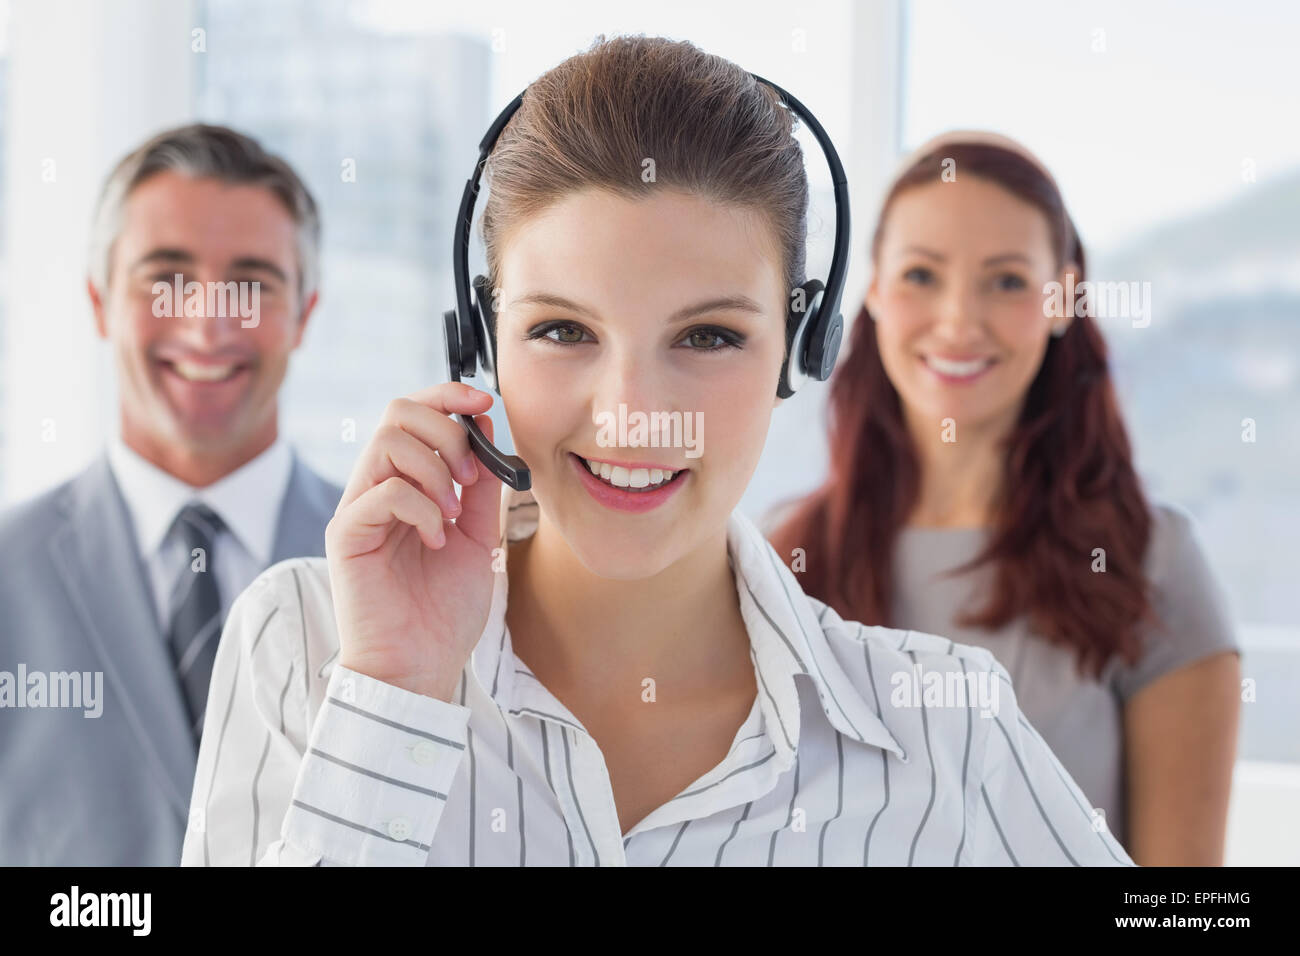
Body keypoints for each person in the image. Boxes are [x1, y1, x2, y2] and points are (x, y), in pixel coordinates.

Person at [183, 37, 1133, 867]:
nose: (634, 414)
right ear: (480, 341)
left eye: (708, 336)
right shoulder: (307, 646)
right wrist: (394, 696)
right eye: (562, 331)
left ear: (800, 351)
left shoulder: (943, 727)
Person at [766, 131, 1241, 865]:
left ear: (1064, 301)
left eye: (1008, 281)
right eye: (921, 275)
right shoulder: (782, 555)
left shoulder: (1153, 562)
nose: (959, 321)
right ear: (876, 297)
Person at [0, 124, 343, 865]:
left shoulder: (405, 568)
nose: (208, 322)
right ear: (100, 302)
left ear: (304, 315)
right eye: (166, 278)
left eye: (253, 283)